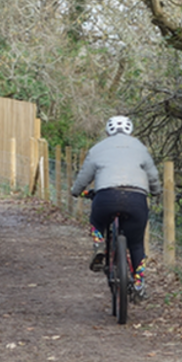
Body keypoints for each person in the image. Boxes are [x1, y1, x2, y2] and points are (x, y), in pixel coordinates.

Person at [70, 115, 161, 299]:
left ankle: (99, 245)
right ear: (131, 131)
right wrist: (156, 191)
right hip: (136, 198)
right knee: (136, 243)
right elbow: (153, 176)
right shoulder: (140, 148)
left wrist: (76, 191)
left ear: (107, 131)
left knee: (96, 221)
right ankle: (138, 282)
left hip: (105, 196)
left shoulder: (98, 149)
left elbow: (84, 176)